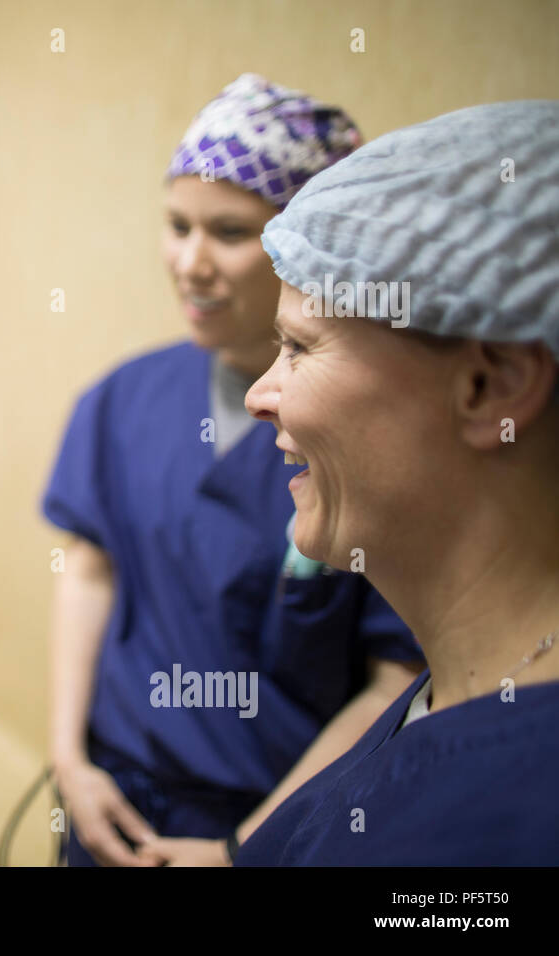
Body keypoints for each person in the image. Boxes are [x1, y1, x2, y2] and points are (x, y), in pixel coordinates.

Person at [44, 74, 426, 868]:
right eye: (176, 226)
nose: (191, 263)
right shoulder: (122, 399)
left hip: (274, 823)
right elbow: (88, 574)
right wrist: (70, 764)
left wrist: (240, 852)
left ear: (306, 242)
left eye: (230, 231)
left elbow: (396, 685)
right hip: (106, 800)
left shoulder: (370, 439)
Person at [236, 99, 559, 865]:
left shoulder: (520, 814)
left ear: (491, 386)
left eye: (300, 347)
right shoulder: (465, 696)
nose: (258, 394)